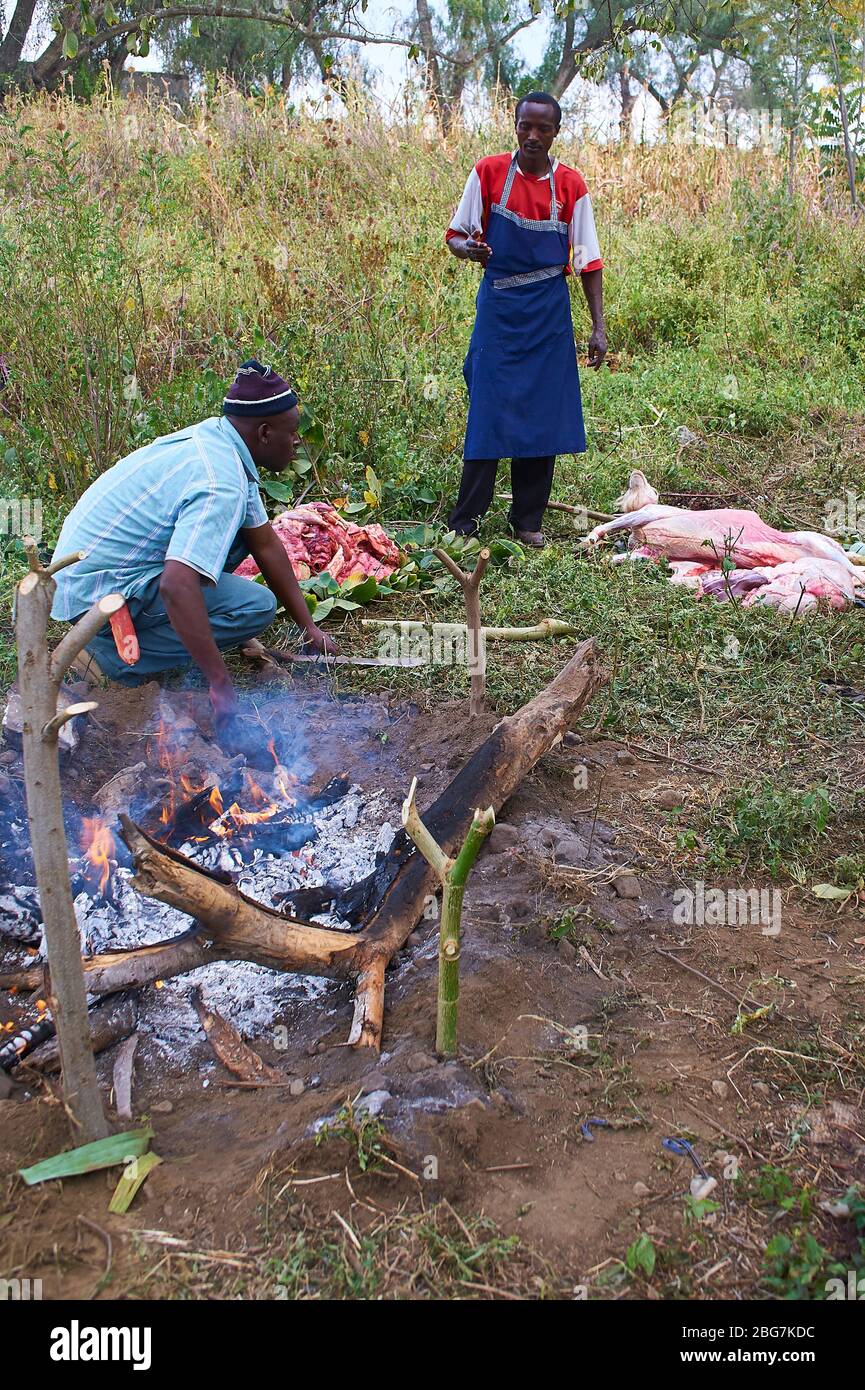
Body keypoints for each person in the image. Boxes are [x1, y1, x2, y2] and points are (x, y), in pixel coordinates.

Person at [50, 360, 335, 735]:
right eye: (293, 432)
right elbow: (176, 585)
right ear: (264, 433)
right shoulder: (220, 482)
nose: (297, 441)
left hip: (95, 574)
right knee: (254, 608)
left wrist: (309, 628)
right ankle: (106, 657)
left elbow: (264, 543)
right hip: (97, 597)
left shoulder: (222, 443)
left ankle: (159, 633)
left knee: (238, 539)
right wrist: (219, 681)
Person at [445, 91, 607, 547]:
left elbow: (588, 260)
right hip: (498, 308)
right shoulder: (488, 173)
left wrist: (598, 327)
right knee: (488, 411)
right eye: (525, 126)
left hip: (549, 314)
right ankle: (465, 524)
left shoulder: (572, 186)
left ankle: (528, 522)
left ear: (556, 132)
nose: (533, 136)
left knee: (542, 417)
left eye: (543, 128)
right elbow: (455, 235)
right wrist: (469, 249)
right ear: (515, 126)